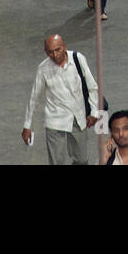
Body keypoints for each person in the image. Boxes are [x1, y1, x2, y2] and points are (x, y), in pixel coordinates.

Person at [21, 34, 101, 166]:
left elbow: (92, 87)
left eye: (58, 50)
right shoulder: (43, 69)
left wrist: (94, 113)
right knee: (56, 162)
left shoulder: (78, 59)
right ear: (46, 52)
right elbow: (34, 98)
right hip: (55, 121)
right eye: (50, 52)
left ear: (64, 47)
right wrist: (27, 126)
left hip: (78, 118)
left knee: (82, 159)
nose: (55, 55)